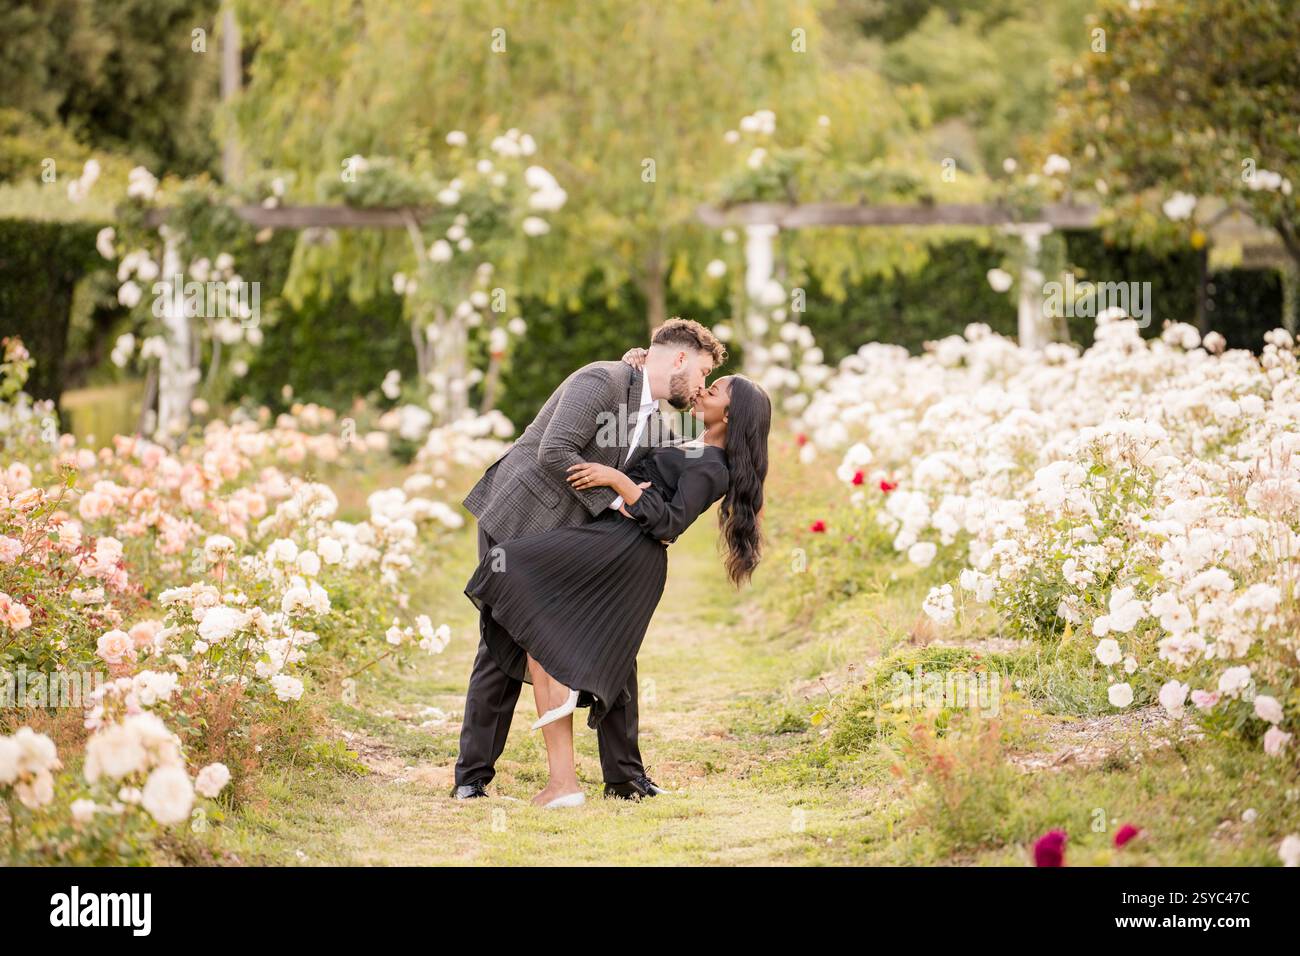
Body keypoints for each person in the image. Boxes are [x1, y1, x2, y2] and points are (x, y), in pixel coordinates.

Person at [464, 373, 771, 807]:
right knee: (610, 651)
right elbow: (644, 415)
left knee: (515, 569)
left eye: (715, 389)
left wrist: (618, 481)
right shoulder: (690, 443)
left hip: (627, 552)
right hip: (615, 543)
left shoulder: (712, 466)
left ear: (732, 413)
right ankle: (616, 774)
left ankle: (569, 697)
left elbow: (670, 523)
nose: (704, 390)